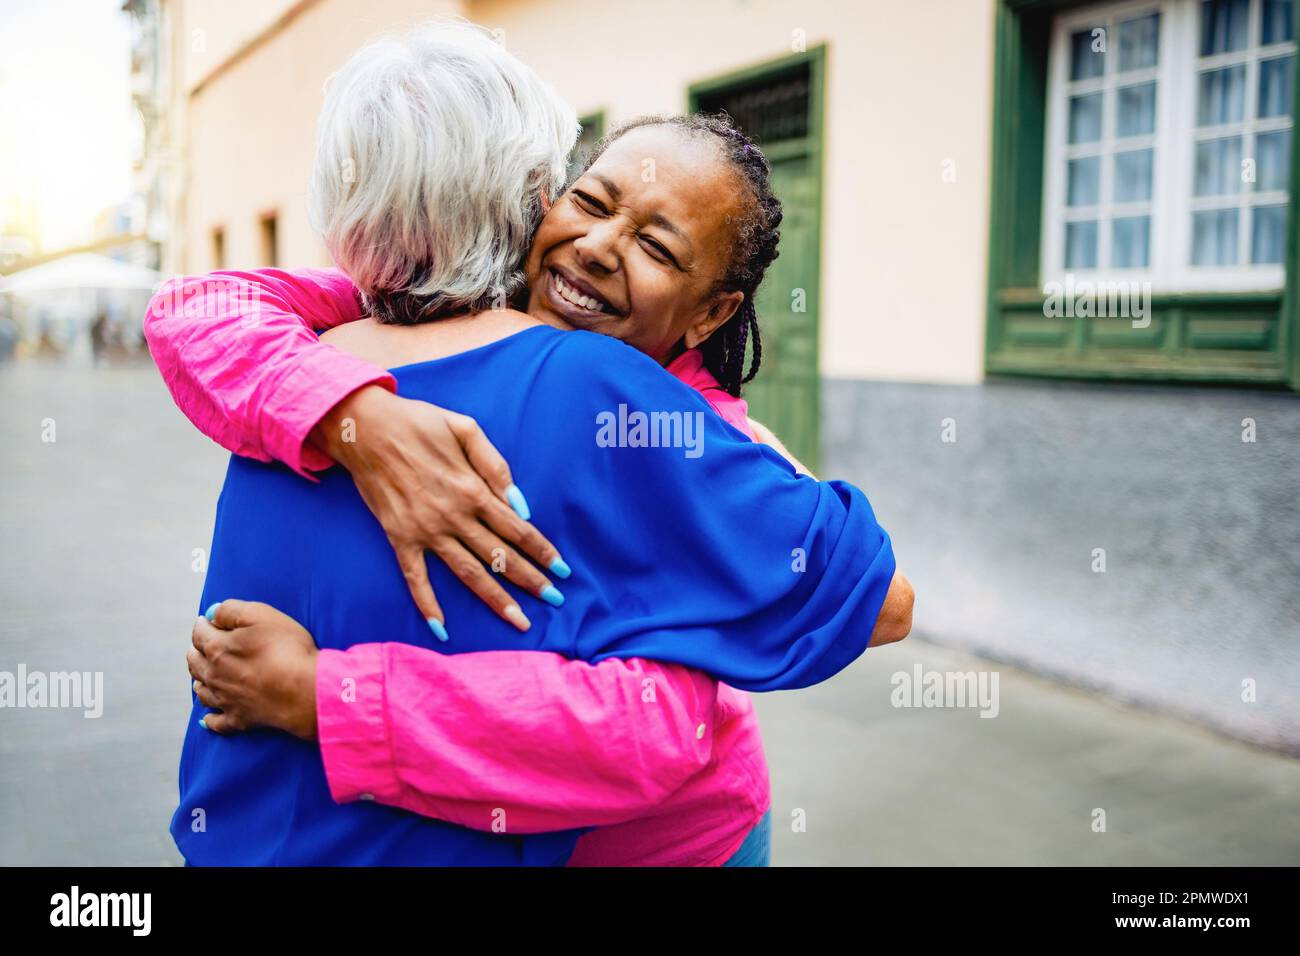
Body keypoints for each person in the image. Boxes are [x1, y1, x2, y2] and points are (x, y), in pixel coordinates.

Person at [149, 21, 911, 866]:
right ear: (536, 197)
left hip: (678, 844)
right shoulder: (344, 335)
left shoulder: (649, 413)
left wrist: (322, 696)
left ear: (711, 313)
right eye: (588, 200)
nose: (596, 245)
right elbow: (196, 310)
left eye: (658, 247)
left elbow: (665, 722)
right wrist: (349, 415)